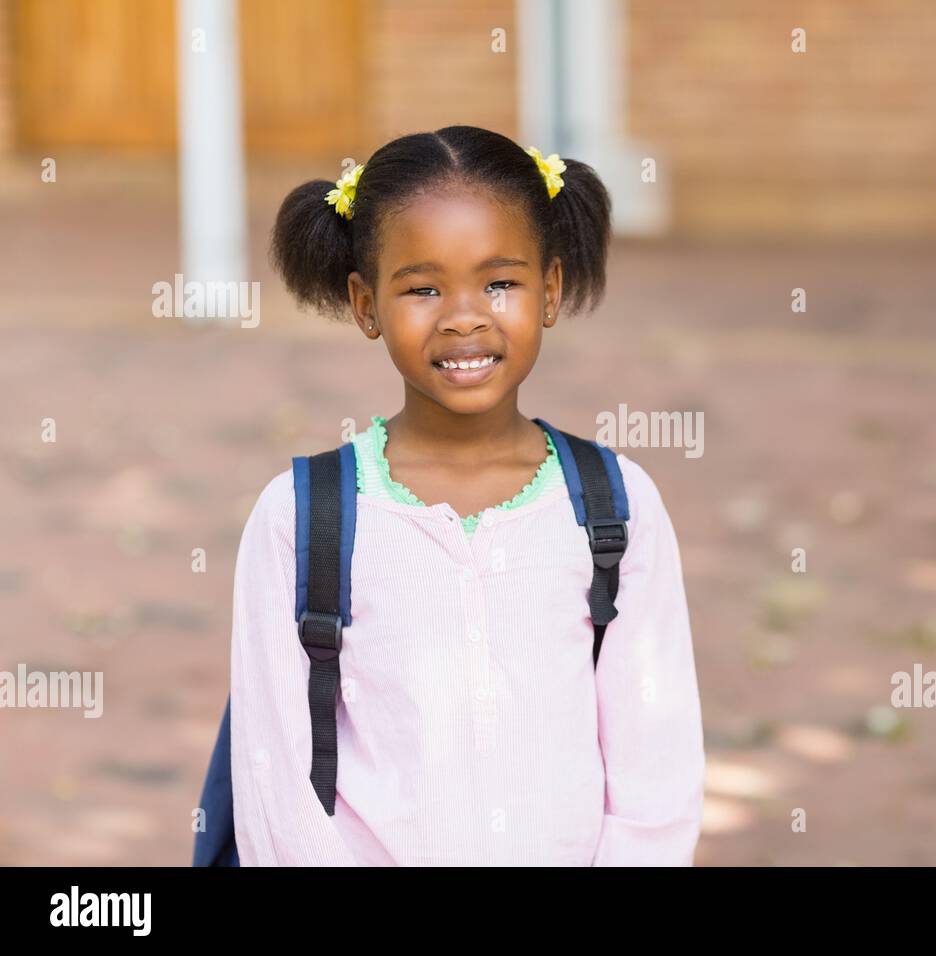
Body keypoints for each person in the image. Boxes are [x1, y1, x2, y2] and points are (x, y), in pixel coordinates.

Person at [229, 126, 704, 865]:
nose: (464, 316)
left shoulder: (615, 507)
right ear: (364, 305)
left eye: (500, 282)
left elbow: (656, 776)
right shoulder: (302, 517)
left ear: (549, 290)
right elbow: (273, 786)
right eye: (422, 288)